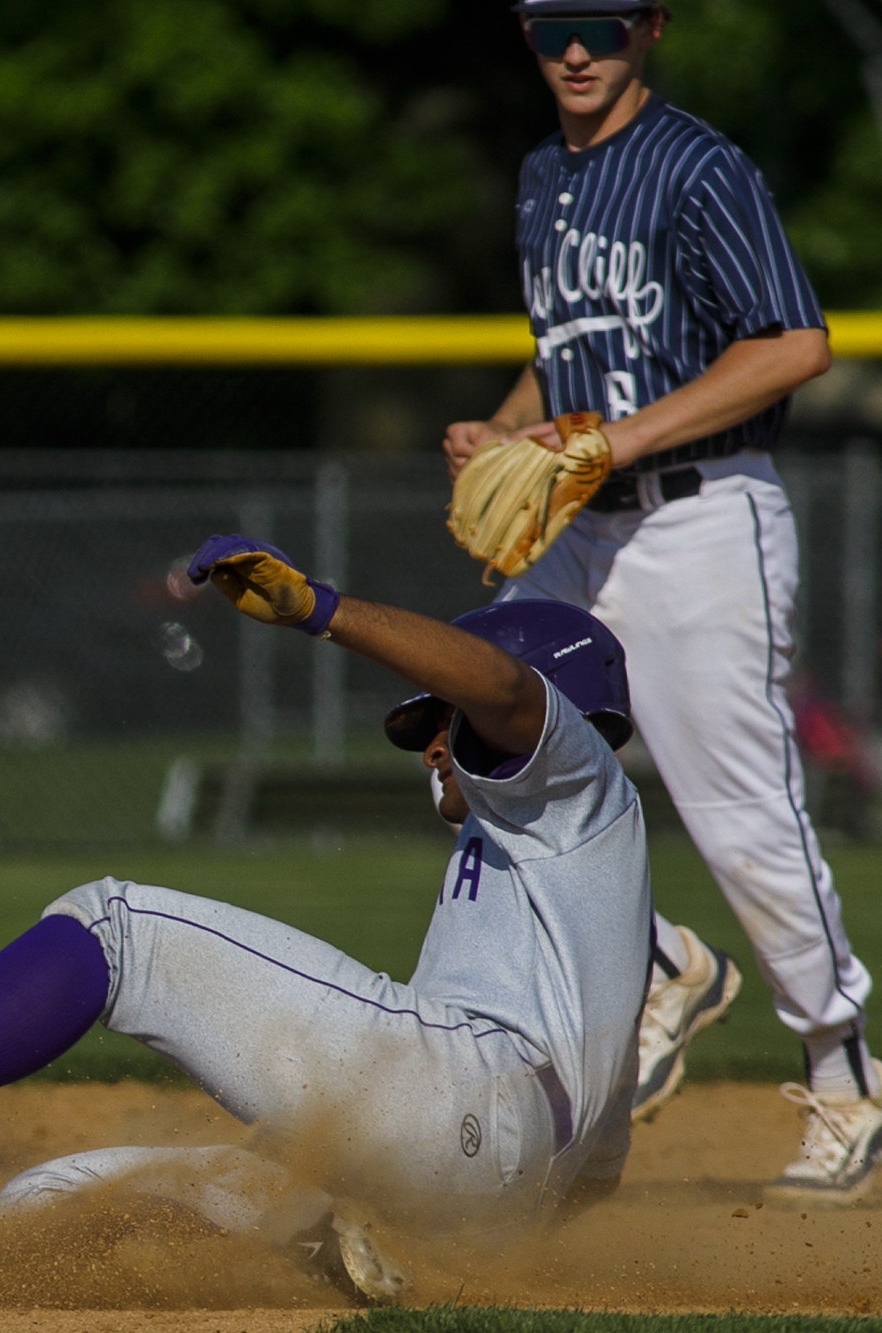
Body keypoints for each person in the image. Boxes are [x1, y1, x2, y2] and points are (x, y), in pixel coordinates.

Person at [0, 536, 650, 1303]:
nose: (431, 744)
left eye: (442, 720)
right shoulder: (555, 877)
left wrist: (314, 607)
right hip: (463, 1185)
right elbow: (590, 1162)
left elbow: (507, 688)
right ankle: (323, 1249)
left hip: (467, 1110)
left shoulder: (579, 787)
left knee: (114, 928)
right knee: (49, 1205)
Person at [441, 0, 878, 1205]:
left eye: (601, 23)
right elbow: (567, 352)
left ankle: (846, 1078)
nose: (574, 50)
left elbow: (792, 343)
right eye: (546, 28)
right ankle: (657, 963)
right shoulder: (540, 175)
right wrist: (512, 431)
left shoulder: (696, 167)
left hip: (699, 518)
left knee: (737, 811)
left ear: (650, 29)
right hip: (586, 526)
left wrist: (609, 442)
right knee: (468, 730)